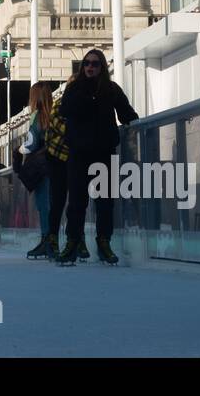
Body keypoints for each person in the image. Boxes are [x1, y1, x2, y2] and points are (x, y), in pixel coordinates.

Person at [55, 49, 138, 267]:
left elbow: (126, 113)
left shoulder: (110, 89)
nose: (90, 67)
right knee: (77, 202)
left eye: (95, 64)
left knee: (104, 202)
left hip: (103, 151)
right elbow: (65, 111)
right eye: (87, 64)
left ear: (102, 67)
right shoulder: (74, 88)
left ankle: (104, 243)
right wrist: (85, 97)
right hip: (79, 153)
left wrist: (135, 125)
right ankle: (73, 242)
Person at [18, 81, 57, 259]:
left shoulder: (37, 116)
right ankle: (53, 241)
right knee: (53, 204)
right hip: (56, 164)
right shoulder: (54, 115)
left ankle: (46, 242)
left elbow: (31, 144)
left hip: (41, 167)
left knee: (43, 205)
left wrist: (19, 150)